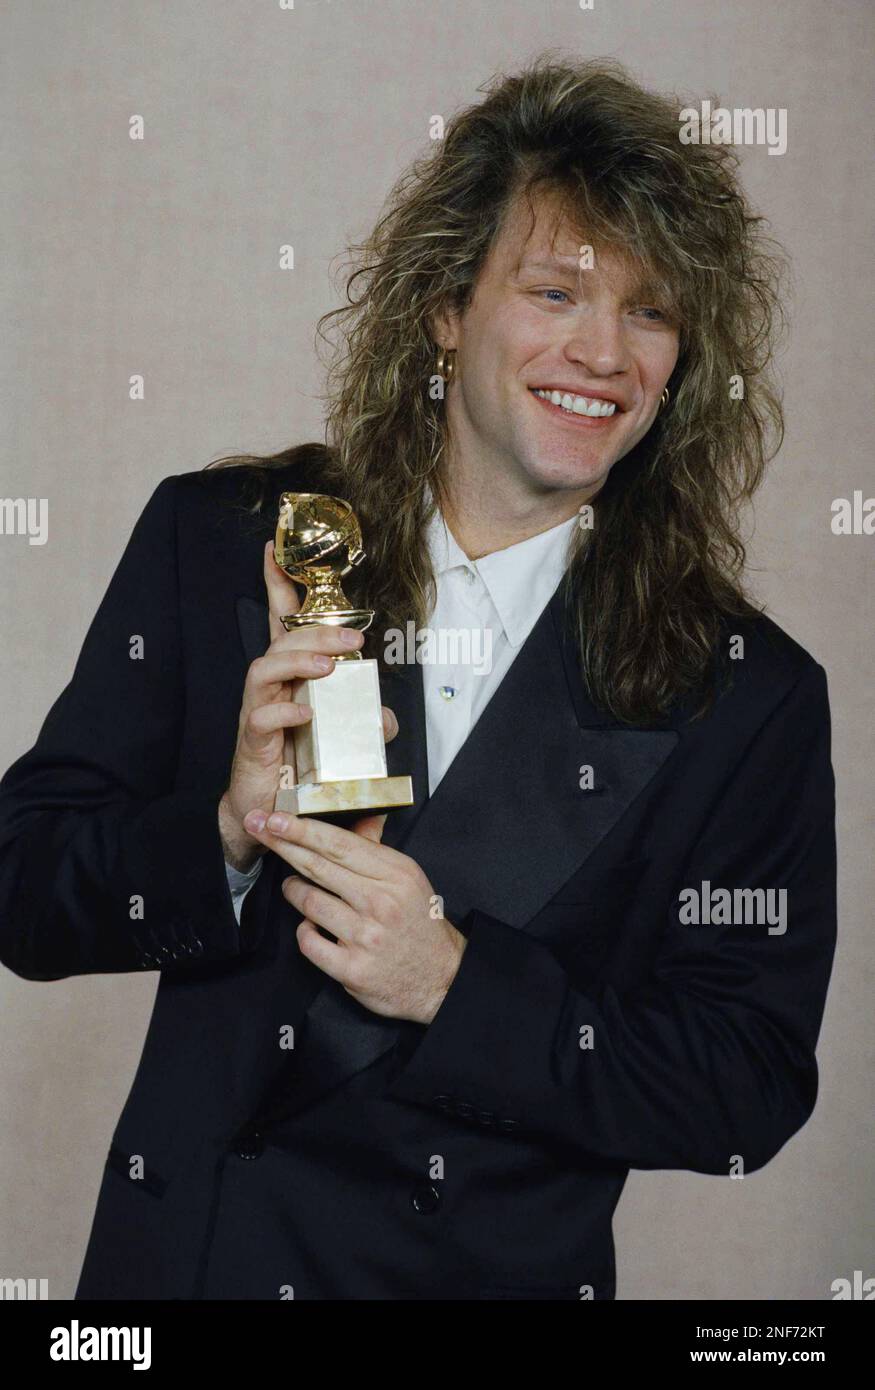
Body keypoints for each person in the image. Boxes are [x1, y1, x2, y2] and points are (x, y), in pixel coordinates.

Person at [0, 55, 836, 1301]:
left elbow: (746, 1082)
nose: (600, 352)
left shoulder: (745, 692)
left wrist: (455, 985)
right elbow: (22, 891)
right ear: (446, 306)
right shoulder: (220, 538)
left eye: (650, 312)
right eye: (554, 289)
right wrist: (224, 837)